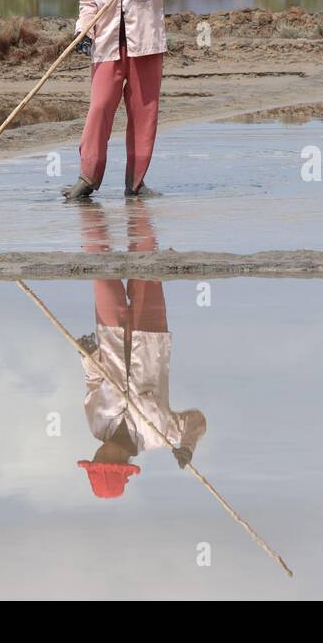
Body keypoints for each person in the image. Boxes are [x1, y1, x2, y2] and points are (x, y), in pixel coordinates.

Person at [60, 0, 199, 200]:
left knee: (143, 113)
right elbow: (87, 2)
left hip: (146, 44)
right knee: (99, 108)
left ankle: (135, 184)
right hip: (107, 44)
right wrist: (82, 31)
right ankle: (87, 178)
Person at [75, 203, 206, 500]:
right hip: (151, 336)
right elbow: (197, 420)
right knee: (145, 260)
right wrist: (187, 446)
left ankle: (90, 211)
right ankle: (140, 207)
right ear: (116, 462)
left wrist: (88, 354)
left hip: (110, 336)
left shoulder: (96, 424)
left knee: (99, 266)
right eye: (98, 460)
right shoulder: (159, 435)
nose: (95, 454)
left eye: (93, 460)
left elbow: (94, 381)